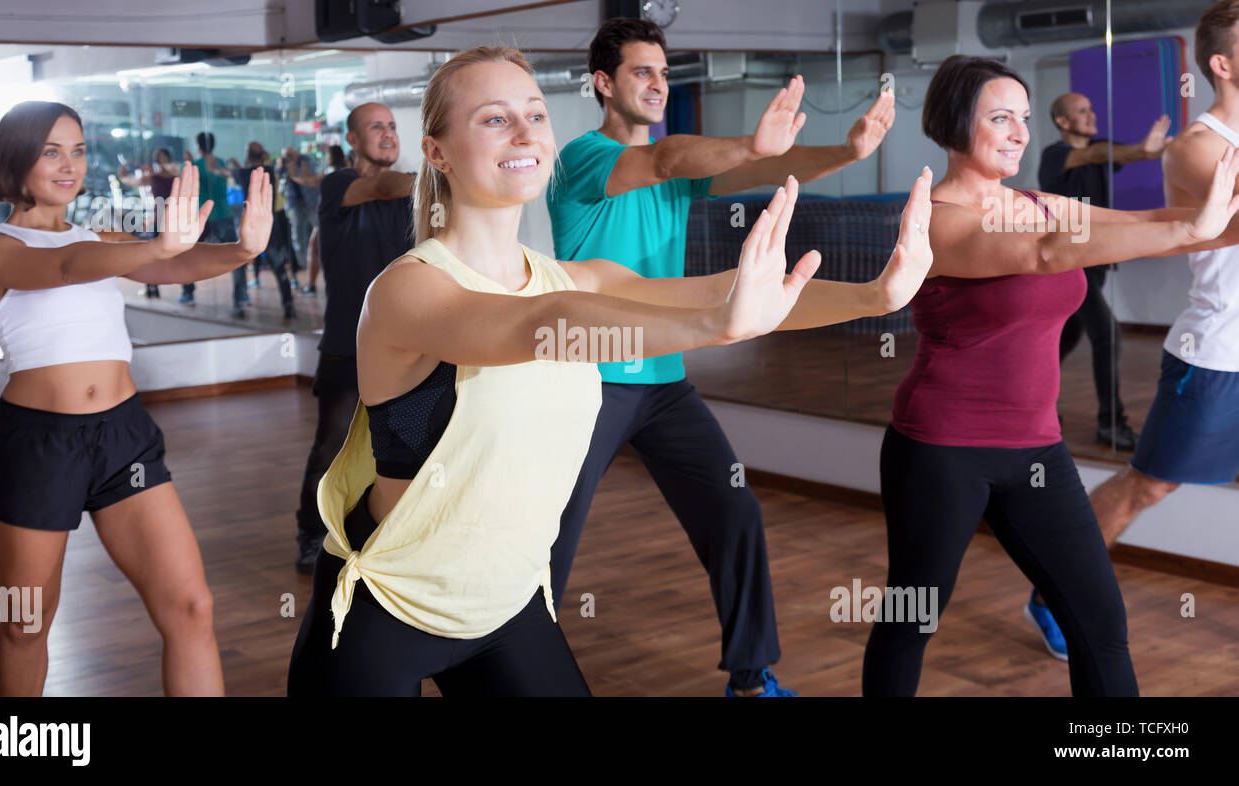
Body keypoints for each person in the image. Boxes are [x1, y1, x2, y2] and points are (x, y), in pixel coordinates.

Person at [286, 45, 934, 697]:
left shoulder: (576, 277)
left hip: (508, 607)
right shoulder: (407, 291)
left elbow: (714, 290)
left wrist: (875, 297)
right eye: (493, 119)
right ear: (437, 152)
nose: (524, 133)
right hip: (384, 611)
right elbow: (539, 325)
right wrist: (717, 327)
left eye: (536, 116)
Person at [861, 55, 1239, 697]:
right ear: (956, 122)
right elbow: (1046, 252)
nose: (1018, 133)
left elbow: (1146, 226)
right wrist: (1190, 226)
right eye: (1000, 117)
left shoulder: (1037, 202)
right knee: (912, 618)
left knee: (1099, 620)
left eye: (1025, 119)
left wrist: (1206, 226)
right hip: (942, 449)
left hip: (1036, 452)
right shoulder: (937, 219)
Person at [545, 16, 894, 697]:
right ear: (602, 83)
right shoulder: (580, 159)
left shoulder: (681, 171)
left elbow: (765, 167)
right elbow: (666, 159)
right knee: (549, 544)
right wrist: (742, 142)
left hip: (663, 382)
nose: (657, 83)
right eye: (641, 71)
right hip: (590, 378)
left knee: (735, 513)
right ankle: (507, 672)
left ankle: (750, 675)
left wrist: (846, 152)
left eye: (663, 72)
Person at [0, 100, 273, 696]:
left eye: (77, 150)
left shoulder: (100, 238)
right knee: (27, 625)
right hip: (37, 445)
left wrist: (241, 252)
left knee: (191, 607)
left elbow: (171, 263)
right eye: (51, 150)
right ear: (14, 160)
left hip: (123, 438)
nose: (69, 164)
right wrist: (155, 246)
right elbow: (68, 268)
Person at [1085, 0, 1239, 612]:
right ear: (1222, 63)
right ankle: (1055, 595)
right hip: (1218, 355)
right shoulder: (1195, 148)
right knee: (1148, 486)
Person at [293, 104, 415, 573]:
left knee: (406, 448)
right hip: (348, 348)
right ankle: (309, 533)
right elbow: (384, 184)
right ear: (352, 138)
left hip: (406, 351)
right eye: (376, 127)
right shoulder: (338, 185)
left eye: (391, 126)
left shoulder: (413, 196)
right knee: (331, 447)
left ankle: (388, 537)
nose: (387, 134)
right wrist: (444, 175)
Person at [1039, 92, 1172, 451]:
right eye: (1081, 111)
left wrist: (1150, 150)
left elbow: (1118, 152)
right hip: (1069, 263)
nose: (1091, 114)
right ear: (1063, 122)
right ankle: (1110, 423)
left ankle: (1031, 407)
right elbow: (1098, 154)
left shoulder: (1101, 148)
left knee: (1059, 341)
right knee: (1107, 335)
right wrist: (1141, 149)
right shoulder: (1055, 155)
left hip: (1095, 262)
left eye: (1091, 108)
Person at [179, 131, 244, 317]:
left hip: (203, 216)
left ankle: (188, 293)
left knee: (186, 253)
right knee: (236, 258)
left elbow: (183, 179)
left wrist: (187, 163)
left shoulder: (194, 166)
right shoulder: (221, 163)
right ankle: (240, 299)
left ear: (198, 146)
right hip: (223, 214)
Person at [230, 141, 295, 319]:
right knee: (278, 266)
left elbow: (237, 176)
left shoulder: (244, 172)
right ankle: (288, 303)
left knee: (239, 264)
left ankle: (239, 303)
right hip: (269, 223)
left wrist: (236, 165)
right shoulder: (269, 170)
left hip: (252, 224)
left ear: (249, 155)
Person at [119, 148, 178, 298]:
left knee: (175, 255)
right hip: (161, 220)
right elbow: (131, 181)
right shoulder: (157, 177)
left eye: (164, 158)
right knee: (154, 255)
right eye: (161, 159)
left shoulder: (174, 177)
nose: (162, 162)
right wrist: (123, 175)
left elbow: (130, 180)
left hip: (172, 220)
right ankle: (153, 288)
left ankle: (184, 291)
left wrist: (123, 175)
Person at [295, 145, 348, 296]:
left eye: (327, 155)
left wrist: (293, 172)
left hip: (329, 216)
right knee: (320, 248)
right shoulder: (345, 170)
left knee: (314, 248)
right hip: (337, 216)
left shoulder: (332, 173)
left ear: (330, 157)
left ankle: (312, 286)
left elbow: (308, 181)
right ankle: (313, 285)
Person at [281, 146, 320, 287]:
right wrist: (283, 167)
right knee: (297, 233)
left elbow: (305, 178)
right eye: (286, 155)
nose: (289, 157)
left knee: (317, 230)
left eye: (290, 154)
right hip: (294, 203)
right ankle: (303, 263)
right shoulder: (284, 165)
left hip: (310, 201)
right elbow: (281, 178)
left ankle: (318, 261)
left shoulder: (305, 160)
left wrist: (292, 169)